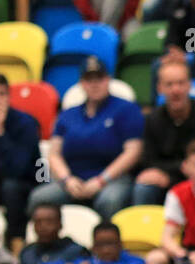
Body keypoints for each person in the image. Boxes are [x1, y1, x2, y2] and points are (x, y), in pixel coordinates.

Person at [29, 58, 144, 222]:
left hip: (113, 178)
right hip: (73, 179)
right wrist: (67, 179)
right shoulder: (68, 114)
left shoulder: (126, 109)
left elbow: (133, 151)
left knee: (109, 201)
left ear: (108, 79)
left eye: (100, 78)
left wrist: (101, 180)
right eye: (89, 79)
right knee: (39, 198)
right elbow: (54, 153)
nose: (95, 84)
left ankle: (107, 246)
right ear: (82, 83)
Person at [134, 59, 195, 207]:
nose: (175, 90)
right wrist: (173, 173)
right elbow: (149, 160)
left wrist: (172, 173)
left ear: (189, 85)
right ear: (159, 88)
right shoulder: (152, 119)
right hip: (166, 178)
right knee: (144, 187)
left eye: (180, 83)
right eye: (169, 84)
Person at [0, 71, 43, 251]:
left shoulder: (25, 123)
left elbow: (17, 169)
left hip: (30, 183)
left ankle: (16, 242)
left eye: (1, 94)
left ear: (9, 97)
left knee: (11, 187)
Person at [20, 204, 88, 264]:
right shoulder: (28, 252)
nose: (43, 226)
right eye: (38, 222)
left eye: (49, 221)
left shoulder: (76, 250)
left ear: (60, 224)